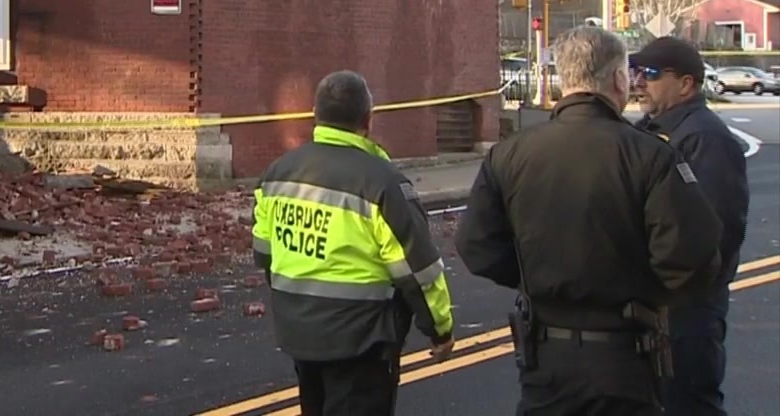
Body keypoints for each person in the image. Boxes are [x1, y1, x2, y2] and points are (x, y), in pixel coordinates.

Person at [455, 26, 724, 416]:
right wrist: (646, 291)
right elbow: (692, 255)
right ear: (617, 79)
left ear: (566, 79)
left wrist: (537, 276)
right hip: (625, 354)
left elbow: (476, 246)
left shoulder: (509, 154)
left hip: (545, 355)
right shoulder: (650, 156)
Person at [252, 70, 455, 416]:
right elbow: (417, 270)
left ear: (316, 116)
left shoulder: (277, 174)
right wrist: (440, 330)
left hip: (301, 335)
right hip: (362, 342)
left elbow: (265, 254)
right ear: (368, 119)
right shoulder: (382, 182)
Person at [631, 37, 750, 416]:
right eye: (635, 72)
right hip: (653, 308)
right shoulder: (649, 131)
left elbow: (714, 231)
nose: (638, 82)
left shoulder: (705, 138)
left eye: (650, 73)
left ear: (686, 84)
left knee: (687, 403)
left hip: (686, 311)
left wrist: (671, 285)